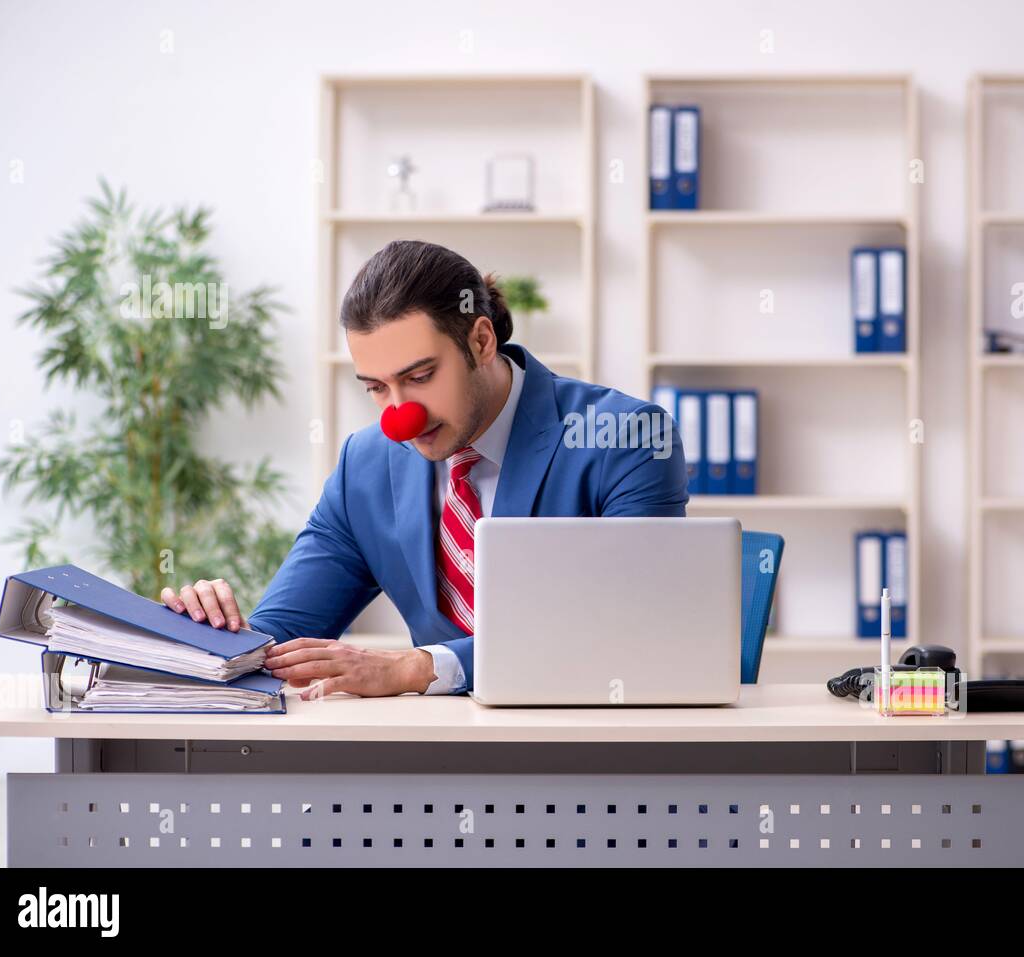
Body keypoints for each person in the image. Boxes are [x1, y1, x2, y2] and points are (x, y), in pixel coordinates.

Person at [161, 239, 686, 698]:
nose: (400, 416)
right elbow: (283, 638)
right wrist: (215, 635)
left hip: (593, 745)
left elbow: (625, 626)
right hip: (440, 758)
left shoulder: (627, 437)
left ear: (481, 341)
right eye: (376, 388)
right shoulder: (363, 467)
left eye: (420, 376)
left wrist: (420, 666)